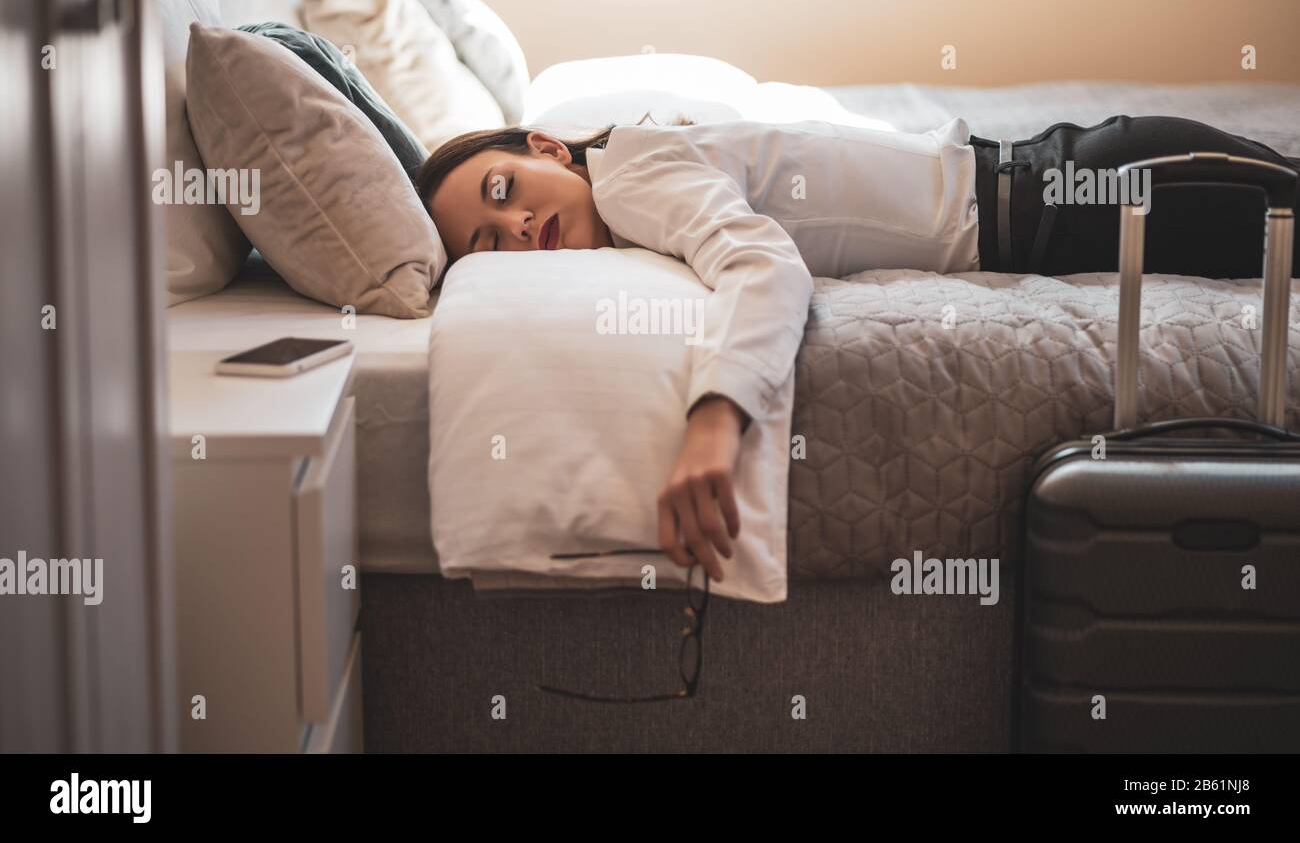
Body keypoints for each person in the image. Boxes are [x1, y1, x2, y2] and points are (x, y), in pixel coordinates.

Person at [415, 114, 1299, 582]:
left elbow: (764, 264)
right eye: (487, 242)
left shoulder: (632, 172)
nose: (517, 225)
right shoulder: (625, 200)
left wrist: (715, 419)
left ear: (543, 145)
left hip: (1063, 199)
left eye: (503, 190)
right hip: (1049, 200)